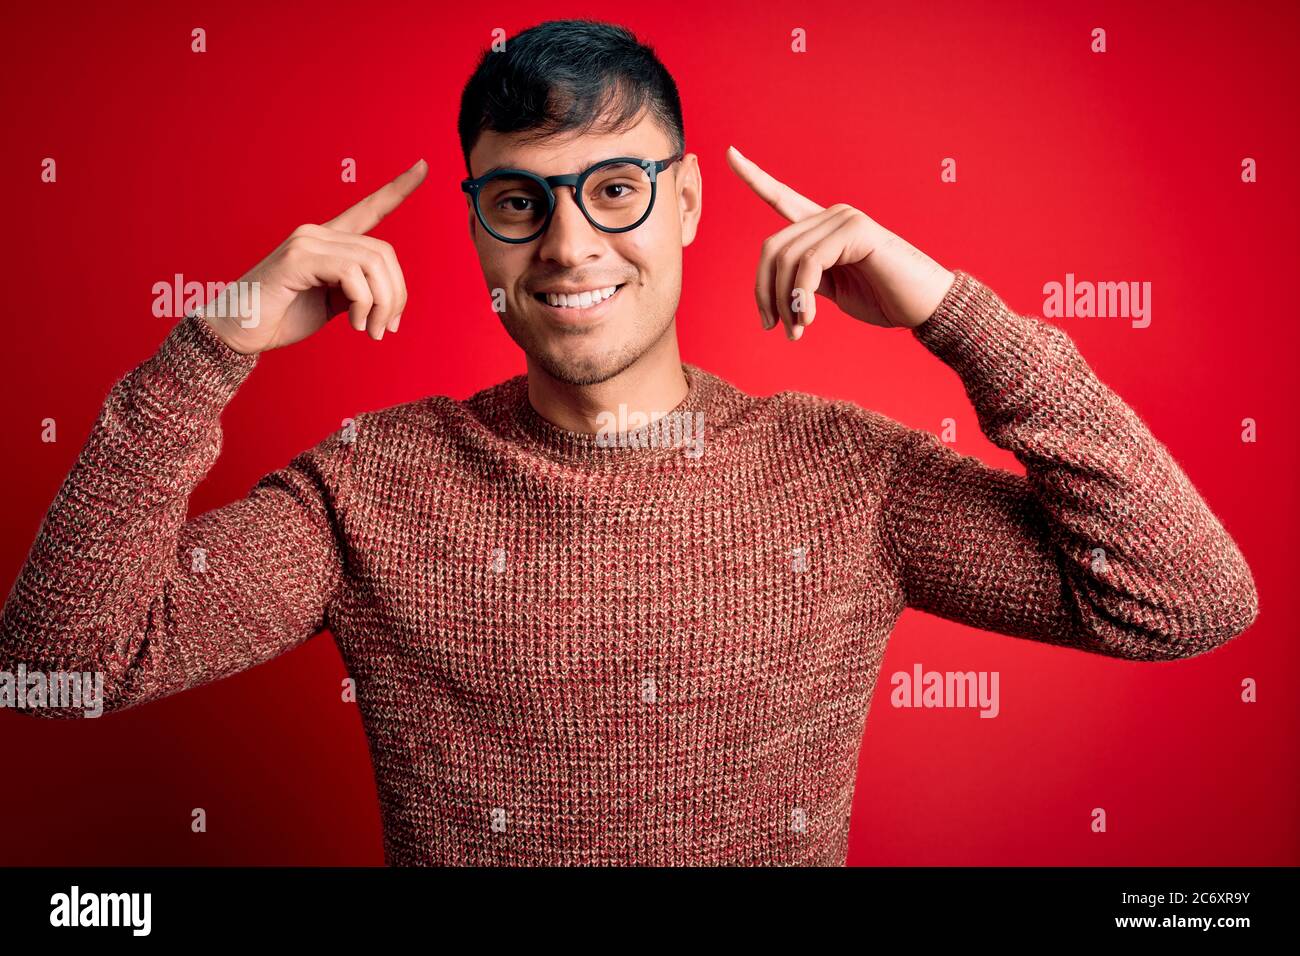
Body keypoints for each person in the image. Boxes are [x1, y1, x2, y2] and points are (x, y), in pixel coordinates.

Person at [0, 18, 1258, 866]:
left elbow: (1186, 600)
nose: (568, 245)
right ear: (481, 227)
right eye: (519, 201)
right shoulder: (372, 487)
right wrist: (208, 346)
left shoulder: (841, 475)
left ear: (690, 198)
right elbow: (58, 667)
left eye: (615, 187)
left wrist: (952, 311)